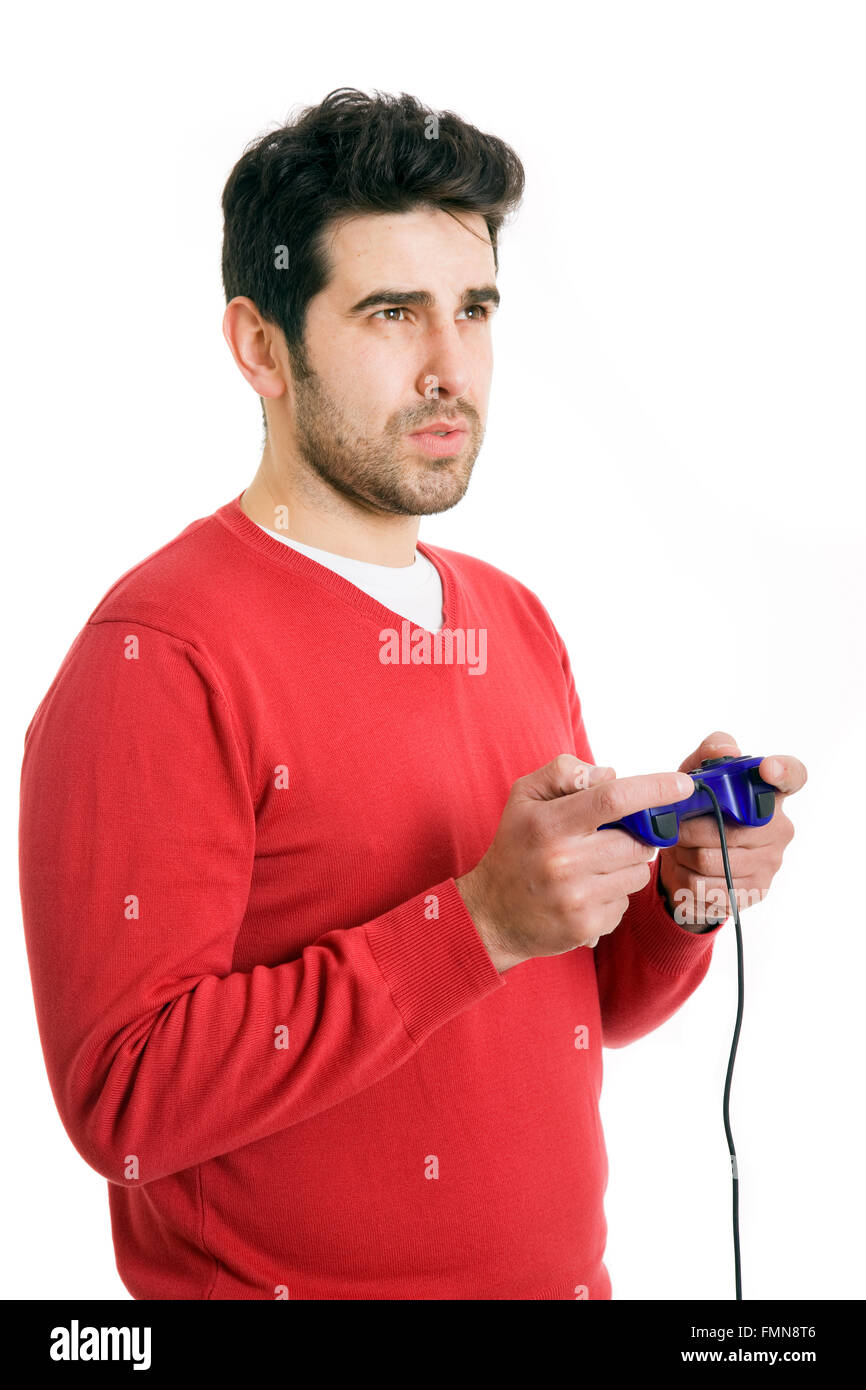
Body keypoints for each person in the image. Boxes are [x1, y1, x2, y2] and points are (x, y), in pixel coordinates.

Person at [18, 87, 805, 1301]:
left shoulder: (513, 617)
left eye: (473, 310)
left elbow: (558, 1000)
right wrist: (477, 919)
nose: (451, 368)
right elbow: (121, 1099)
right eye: (393, 314)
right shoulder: (157, 658)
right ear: (261, 346)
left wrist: (675, 900)